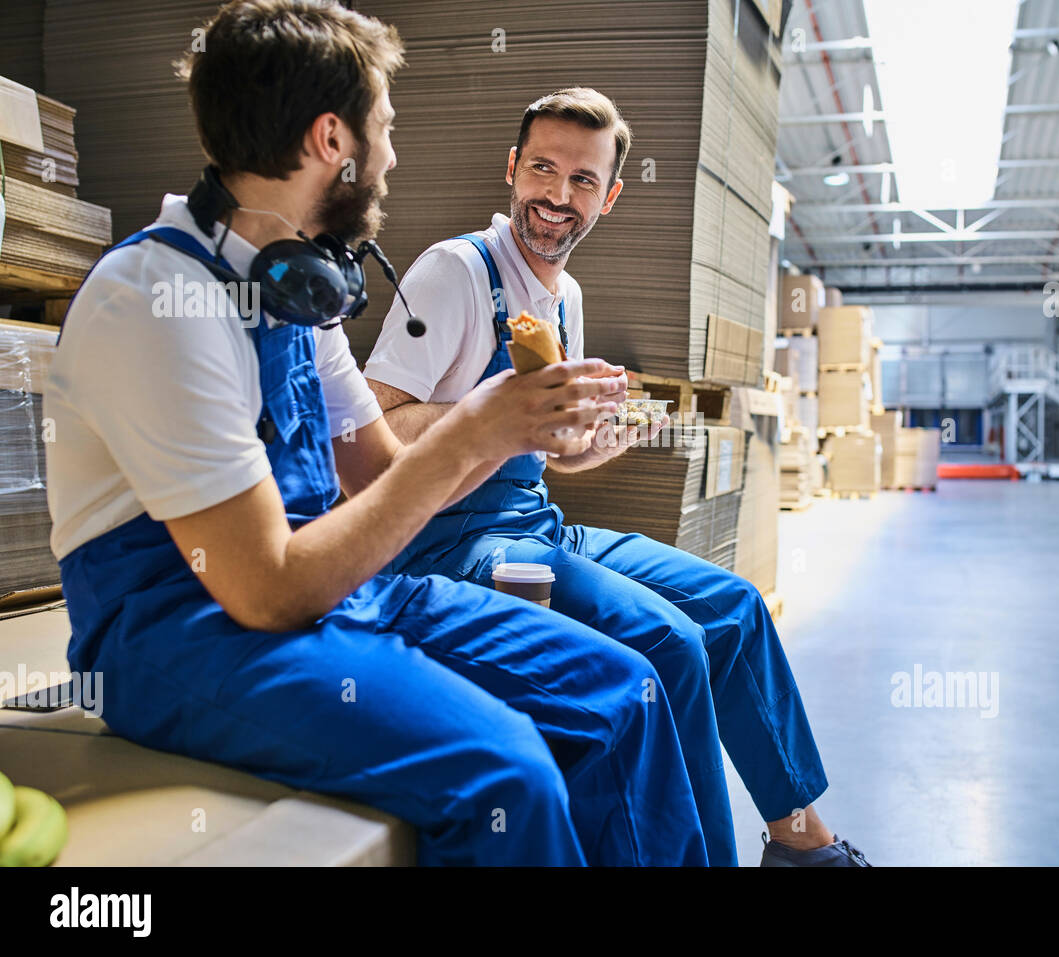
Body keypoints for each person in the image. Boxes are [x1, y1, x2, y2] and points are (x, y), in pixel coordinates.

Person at [44, 0, 709, 867]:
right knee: (509, 775)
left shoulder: (296, 289)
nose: (392, 158)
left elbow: (381, 475)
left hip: (339, 590)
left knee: (630, 691)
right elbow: (265, 591)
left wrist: (530, 430)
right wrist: (475, 428)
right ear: (332, 140)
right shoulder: (157, 301)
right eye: (384, 130)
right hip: (184, 635)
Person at [364, 88, 870, 867]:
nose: (557, 196)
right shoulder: (456, 273)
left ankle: (802, 843)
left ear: (611, 194)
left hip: (531, 522)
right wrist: (489, 411)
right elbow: (374, 436)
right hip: (444, 540)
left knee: (733, 608)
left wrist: (587, 447)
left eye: (582, 180)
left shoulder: (563, 297)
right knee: (671, 644)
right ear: (512, 169)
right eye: (543, 168)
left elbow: (546, 452)